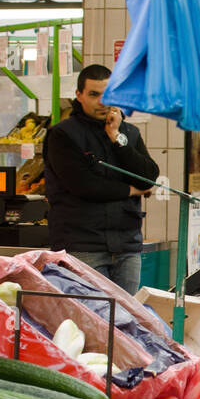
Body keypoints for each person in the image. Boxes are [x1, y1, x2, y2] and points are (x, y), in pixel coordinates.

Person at [43, 64, 160, 295]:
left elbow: (148, 177)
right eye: (94, 95)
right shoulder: (63, 135)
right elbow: (85, 186)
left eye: (107, 94)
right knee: (90, 318)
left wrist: (117, 138)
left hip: (127, 244)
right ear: (79, 95)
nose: (102, 102)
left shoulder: (128, 132)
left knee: (125, 318)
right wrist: (130, 190)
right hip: (81, 244)